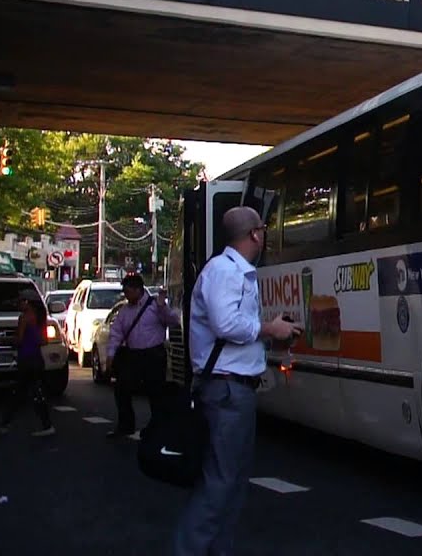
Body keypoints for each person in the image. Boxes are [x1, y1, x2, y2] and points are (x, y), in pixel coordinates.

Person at [172, 206, 301, 556]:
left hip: (233, 390)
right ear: (255, 235)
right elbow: (226, 324)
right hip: (226, 390)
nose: (265, 236)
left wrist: (272, 332)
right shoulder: (225, 272)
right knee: (219, 486)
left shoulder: (234, 272)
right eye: (263, 230)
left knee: (230, 485)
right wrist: (268, 328)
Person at [105, 273, 179, 438]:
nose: (126, 296)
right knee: (122, 389)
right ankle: (126, 425)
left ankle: (158, 427)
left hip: (153, 354)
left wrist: (162, 307)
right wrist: (111, 354)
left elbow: (173, 321)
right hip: (133, 354)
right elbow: (116, 333)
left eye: (128, 292)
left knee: (156, 393)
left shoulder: (155, 305)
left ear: (138, 290)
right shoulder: (125, 311)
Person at [0, 290, 54, 437]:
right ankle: (45, 424)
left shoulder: (24, 318)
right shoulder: (40, 318)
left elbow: (19, 340)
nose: (19, 304)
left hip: (26, 359)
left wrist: (5, 341)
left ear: (27, 303)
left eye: (21, 301)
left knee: (18, 393)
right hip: (37, 358)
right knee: (34, 392)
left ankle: (5, 423)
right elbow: (44, 340)